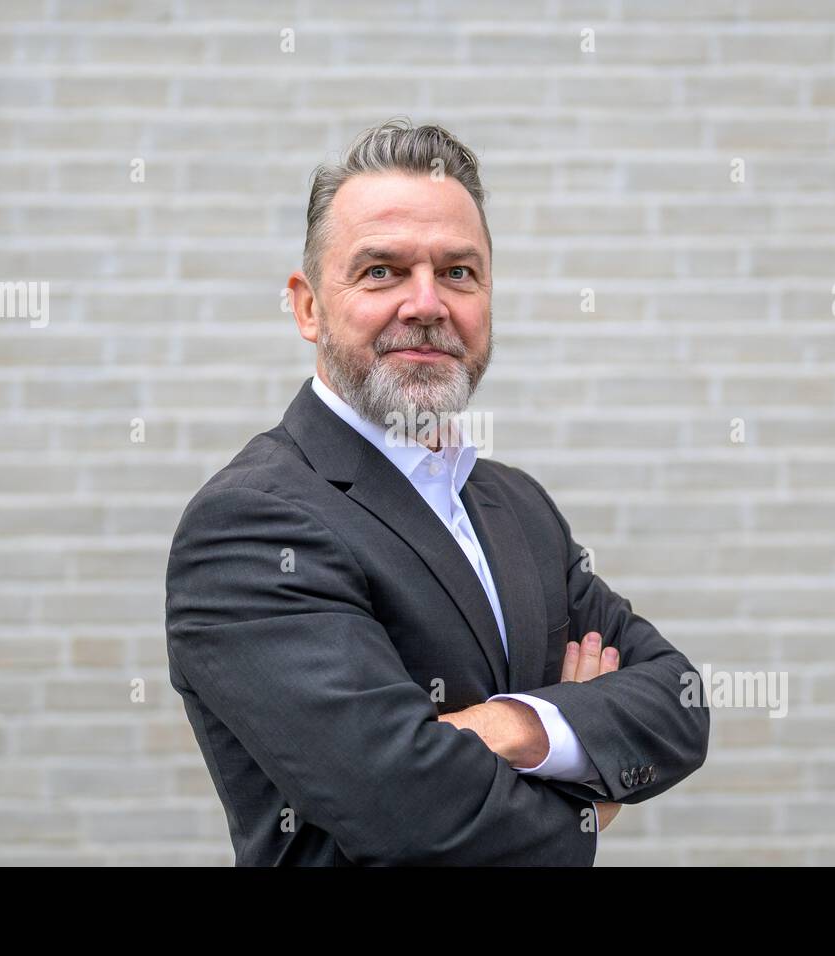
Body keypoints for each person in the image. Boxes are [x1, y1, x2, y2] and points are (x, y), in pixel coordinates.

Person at [165, 118, 709, 866]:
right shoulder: (252, 524)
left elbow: (679, 704)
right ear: (307, 306)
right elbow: (409, 816)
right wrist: (589, 792)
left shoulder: (517, 508)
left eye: (458, 272)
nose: (426, 303)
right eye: (382, 271)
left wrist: (515, 726)